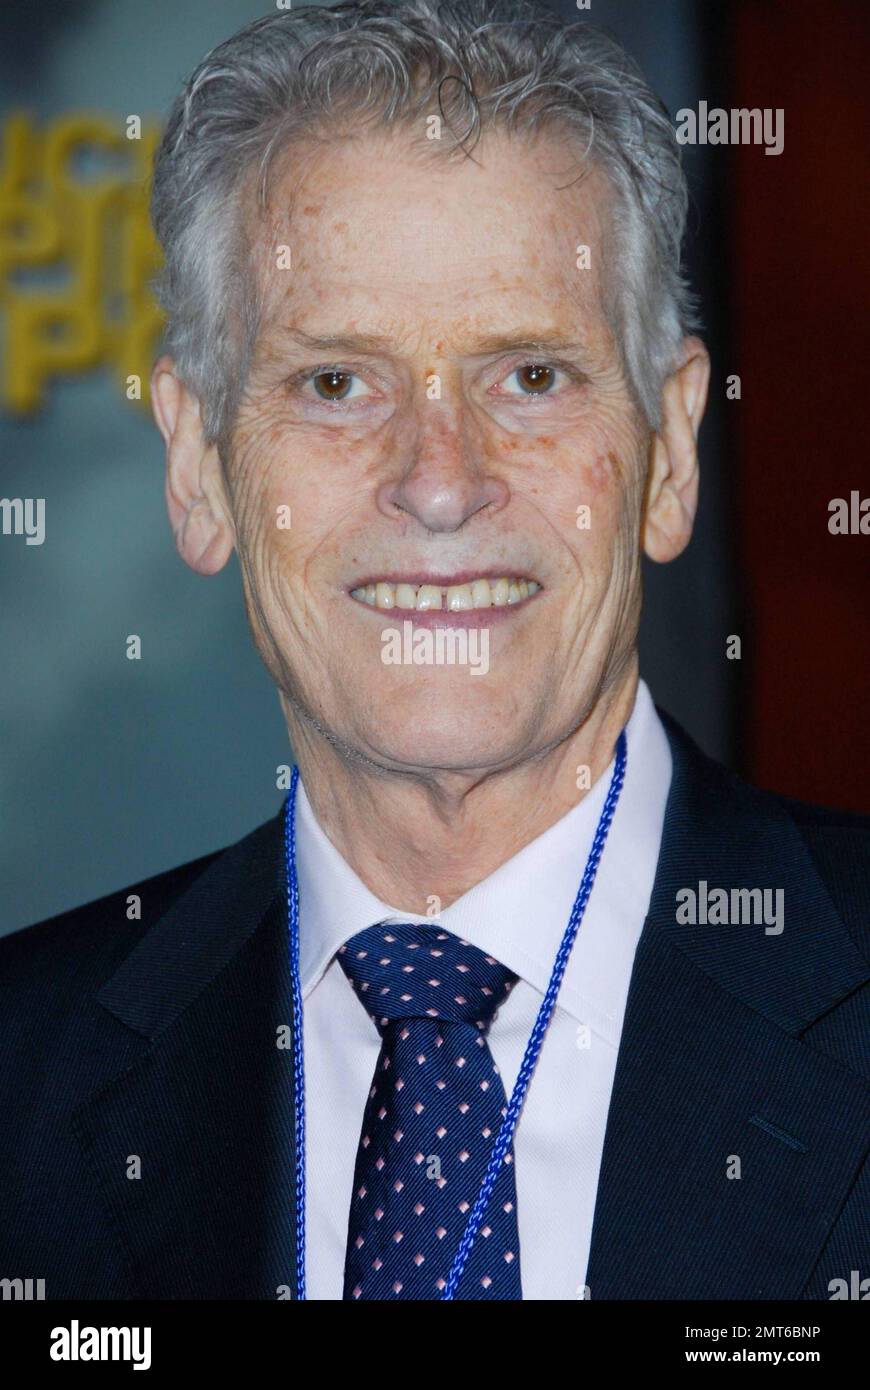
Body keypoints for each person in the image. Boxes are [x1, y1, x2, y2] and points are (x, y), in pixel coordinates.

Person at [1, 0, 867, 1301]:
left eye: (530, 375)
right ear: (198, 466)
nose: (440, 482)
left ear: (669, 452)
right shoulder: (23, 1078)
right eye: (336, 382)